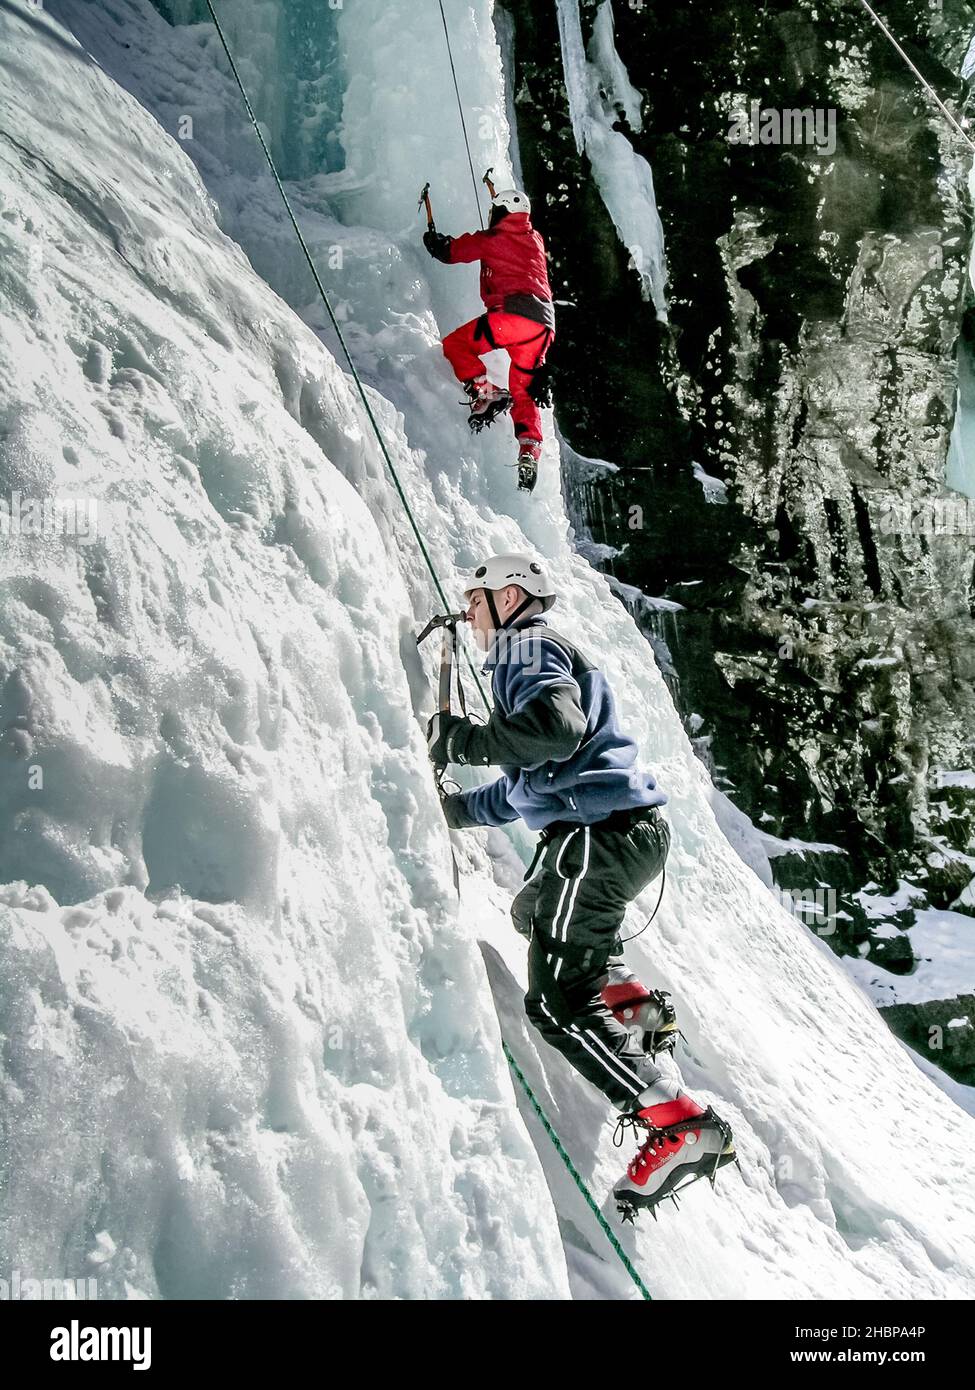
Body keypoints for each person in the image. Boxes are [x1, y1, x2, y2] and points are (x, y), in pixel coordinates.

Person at [426, 552, 736, 1215]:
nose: (468, 612)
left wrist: (460, 741)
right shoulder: (532, 655)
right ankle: (631, 1004)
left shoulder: (525, 647)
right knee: (533, 909)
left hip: (594, 841)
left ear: (510, 596)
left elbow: (553, 731)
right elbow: (523, 789)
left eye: (474, 599)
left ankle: (679, 1123)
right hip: (621, 833)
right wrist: (452, 808)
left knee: (556, 1004)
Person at [422, 189, 554, 493]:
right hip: (543, 328)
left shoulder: (493, 238)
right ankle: (529, 450)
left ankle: (487, 393)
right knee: (524, 391)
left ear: (501, 213)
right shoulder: (535, 239)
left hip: (513, 318)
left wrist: (434, 242)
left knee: (457, 345)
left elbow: (453, 252)